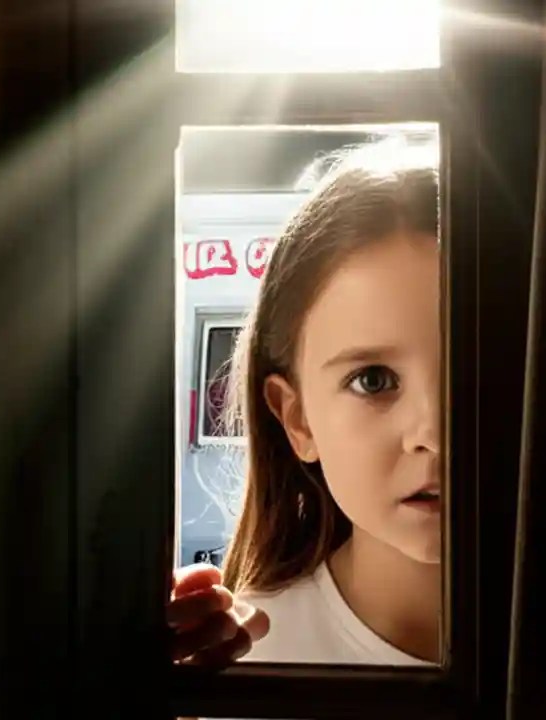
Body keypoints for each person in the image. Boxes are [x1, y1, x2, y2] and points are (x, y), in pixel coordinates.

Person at [169, 138, 442, 669]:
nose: (432, 432)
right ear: (296, 418)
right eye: (373, 379)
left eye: (477, 370)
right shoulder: (247, 666)